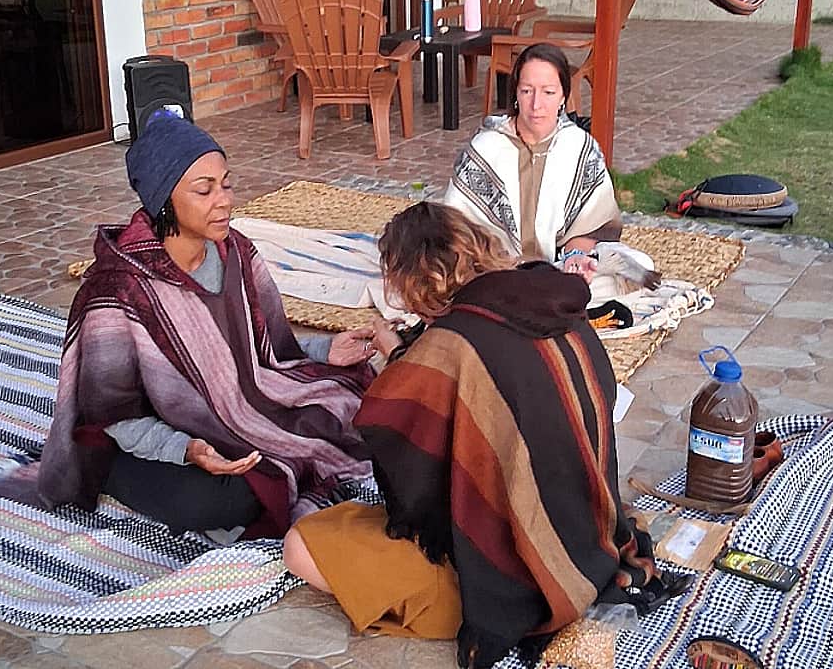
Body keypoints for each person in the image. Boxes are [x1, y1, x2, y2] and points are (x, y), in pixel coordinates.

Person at [282, 202, 672, 669]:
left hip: (517, 572)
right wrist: (414, 349)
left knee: (302, 546)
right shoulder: (555, 299)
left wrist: (399, 358)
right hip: (593, 529)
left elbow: (404, 460)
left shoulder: (451, 344)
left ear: (410, 279)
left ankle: (490, 598)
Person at [34, 110, 379, 539]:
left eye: (226, 184)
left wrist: (326, 352)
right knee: (222, 499)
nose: (225, 200)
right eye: (204, 190)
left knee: (354, 400)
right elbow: (114, 414)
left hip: (239, 414)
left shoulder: (237, 251)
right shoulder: (117, 292)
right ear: (164, 200)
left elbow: (267, 349)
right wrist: (186, 449)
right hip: (145, 434)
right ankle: (111, 476)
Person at [443, 42, 637, 287]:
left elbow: (592, 226)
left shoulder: (579, 147)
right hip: (491, 272)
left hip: (557, 270)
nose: (536, 105)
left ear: (563, 95)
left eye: (548, 92)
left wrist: (575, 258)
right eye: (527, 91)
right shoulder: (485, 146)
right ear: (515, 94)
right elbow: (454, 227)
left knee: (633, 267)